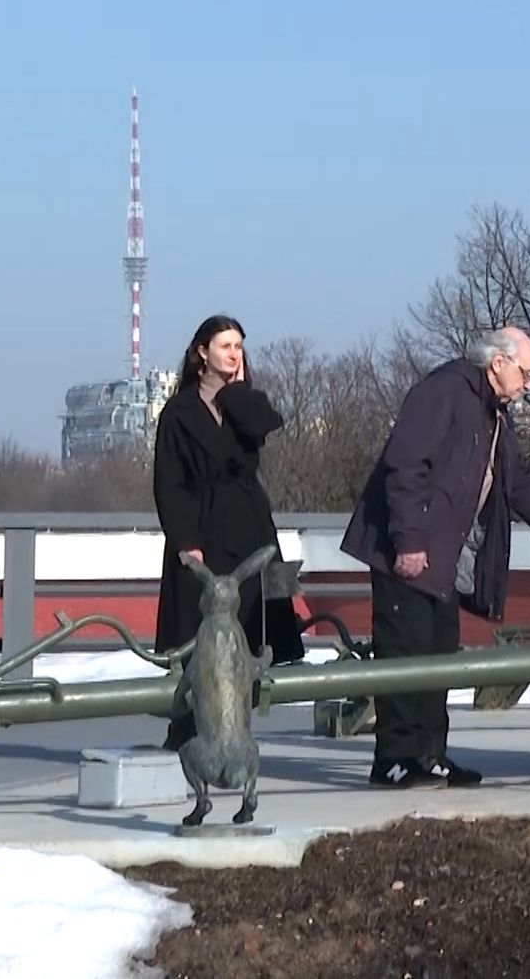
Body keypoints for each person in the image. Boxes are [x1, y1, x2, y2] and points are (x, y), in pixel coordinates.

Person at [340, 325, 530, 789]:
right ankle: (393, 758)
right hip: (404, 553)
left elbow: (518, 484)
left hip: (440, 559)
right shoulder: (445, 390)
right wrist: (409, 541)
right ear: (498, 363)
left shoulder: (493, 415)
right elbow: (405, 464)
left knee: (438, 655)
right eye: (526, 374)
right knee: (403, 655)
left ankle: (430, 754)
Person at [152, 315, 308, 752]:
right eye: (225, 345)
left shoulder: (243, 403)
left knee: (248, 633)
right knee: (197, 638)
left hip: (249, 531)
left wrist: (236, 390)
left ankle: (234, 729)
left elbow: (264, 425)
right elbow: (169, 483)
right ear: (202, 351)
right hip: (202, 531)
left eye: (239, 345)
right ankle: (184, 733)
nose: (234, 353)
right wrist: (186, 543)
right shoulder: (179, 412)